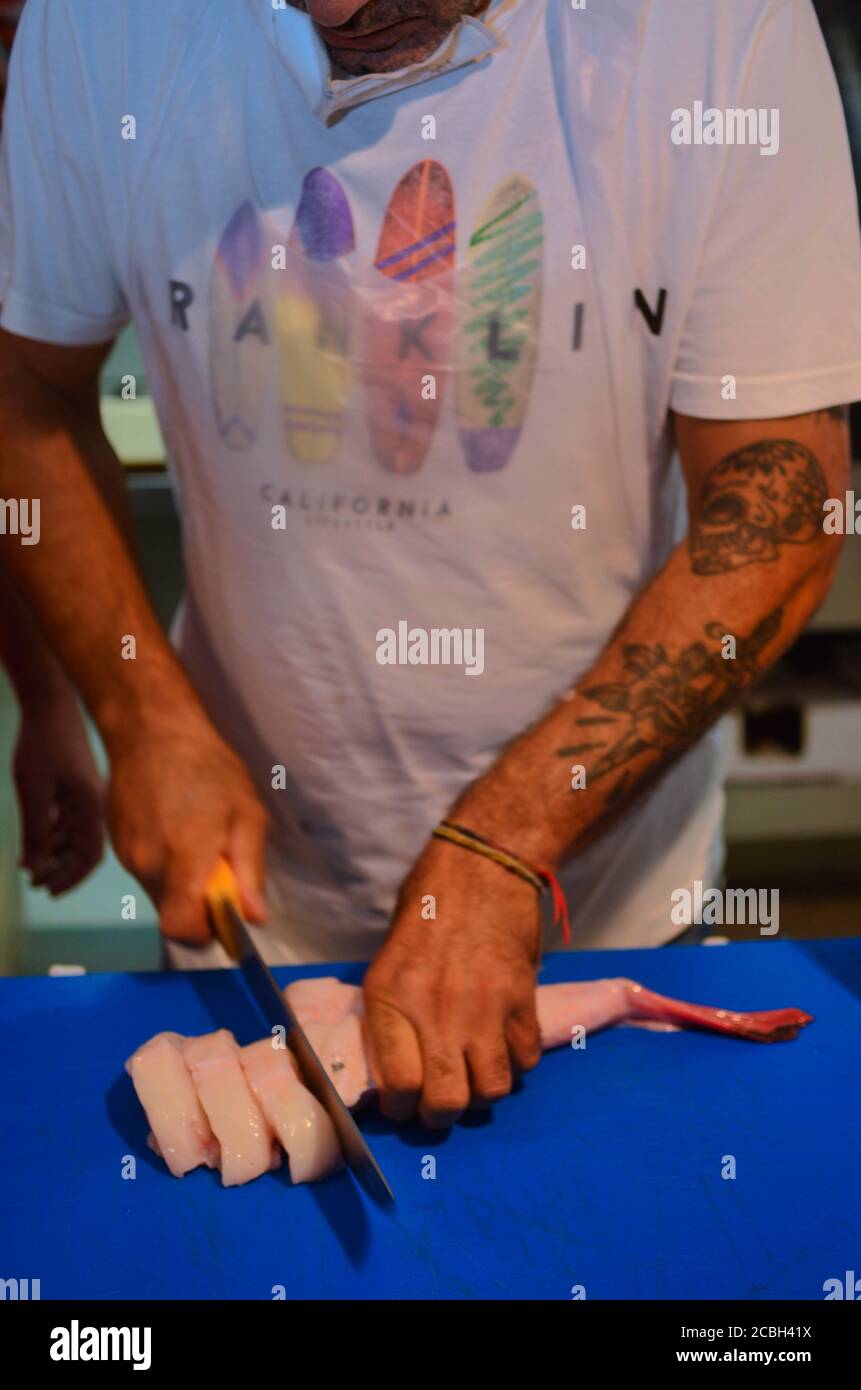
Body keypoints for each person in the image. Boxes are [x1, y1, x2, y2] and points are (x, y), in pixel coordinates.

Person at [0, 0, 859, 1127]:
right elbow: (28, 392)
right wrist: (139, 709)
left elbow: (783, 505)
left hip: (601, 912)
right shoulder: (103, 18)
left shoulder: (717, 26)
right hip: (252, 907)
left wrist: (510, 840)